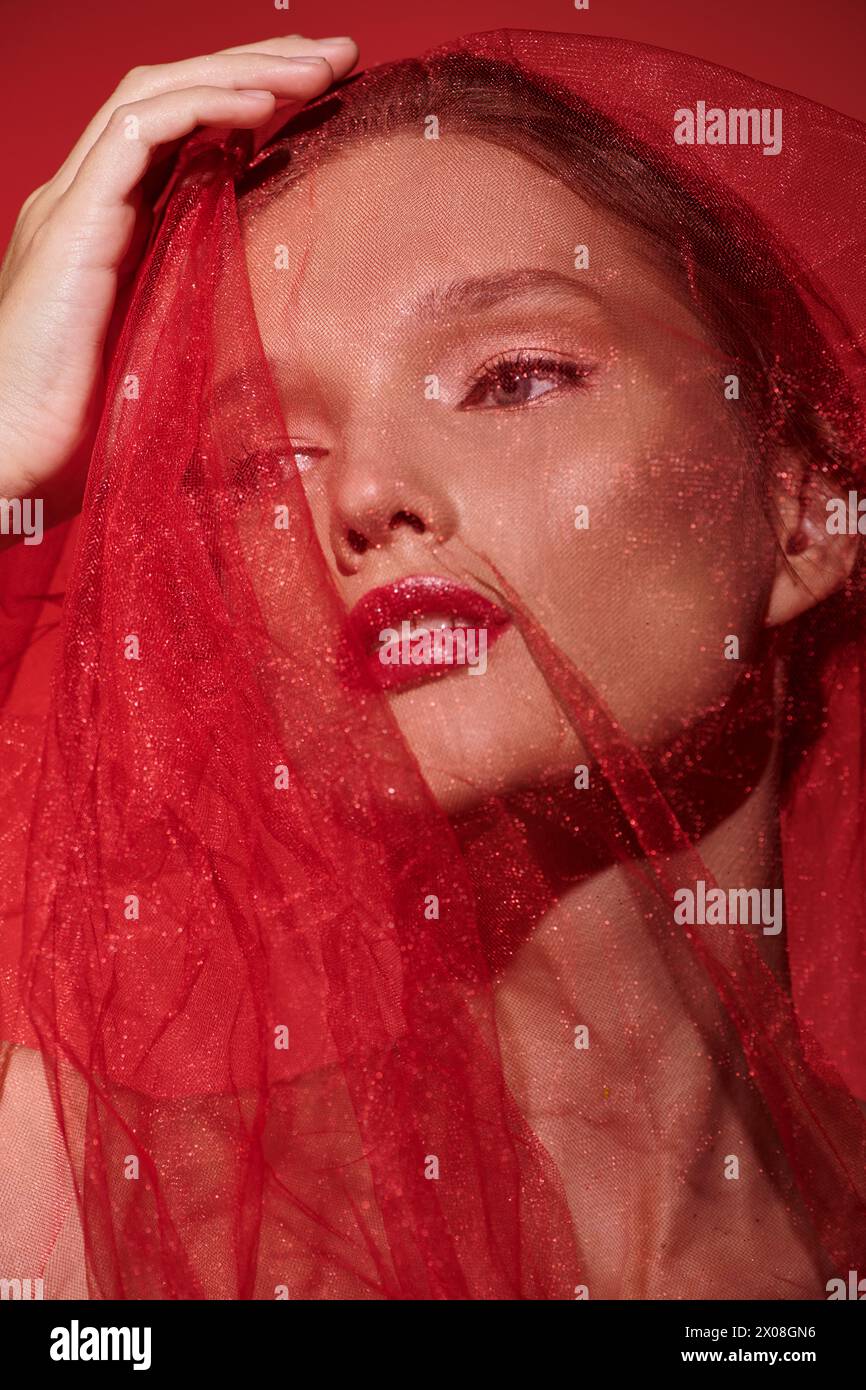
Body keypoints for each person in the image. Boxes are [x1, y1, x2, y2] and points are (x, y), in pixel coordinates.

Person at [0, 28, 864, 1300]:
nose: (363, 495)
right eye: (262, 463)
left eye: (512, 377)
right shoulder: (83, 1206)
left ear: (801, 513)